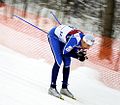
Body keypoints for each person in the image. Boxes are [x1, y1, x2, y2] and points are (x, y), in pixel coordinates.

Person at [47, 25, 95, 99]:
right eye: (88, 45)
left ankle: (64, 88)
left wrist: (79, 55)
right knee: (58, 60)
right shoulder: (75, 40)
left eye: (90, 46)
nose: (88, 48)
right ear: (84, 41)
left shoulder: (82, 41)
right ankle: (52, 88)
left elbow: (74, 49)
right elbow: (64, 52)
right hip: (54, 36)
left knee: (67, 62)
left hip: (64, 39)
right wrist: (78, 56)